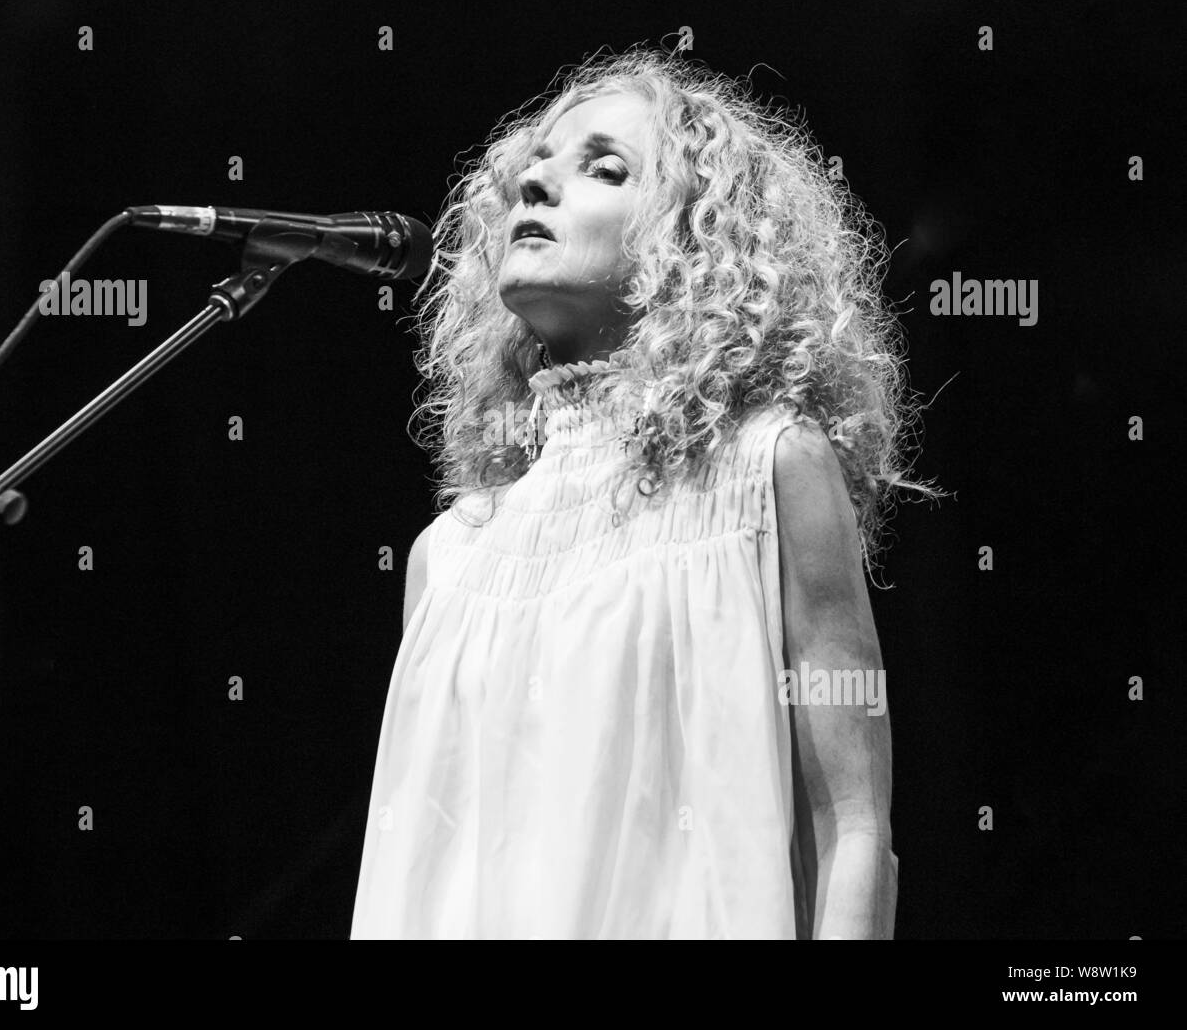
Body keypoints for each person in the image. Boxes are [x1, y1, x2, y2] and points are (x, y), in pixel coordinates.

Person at [350, 46, 939, 939]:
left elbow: (853, 826)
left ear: (692, 238)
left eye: (604, 168)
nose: (536, 190)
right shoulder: (450, 559)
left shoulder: (770, 470)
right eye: (531, 173)